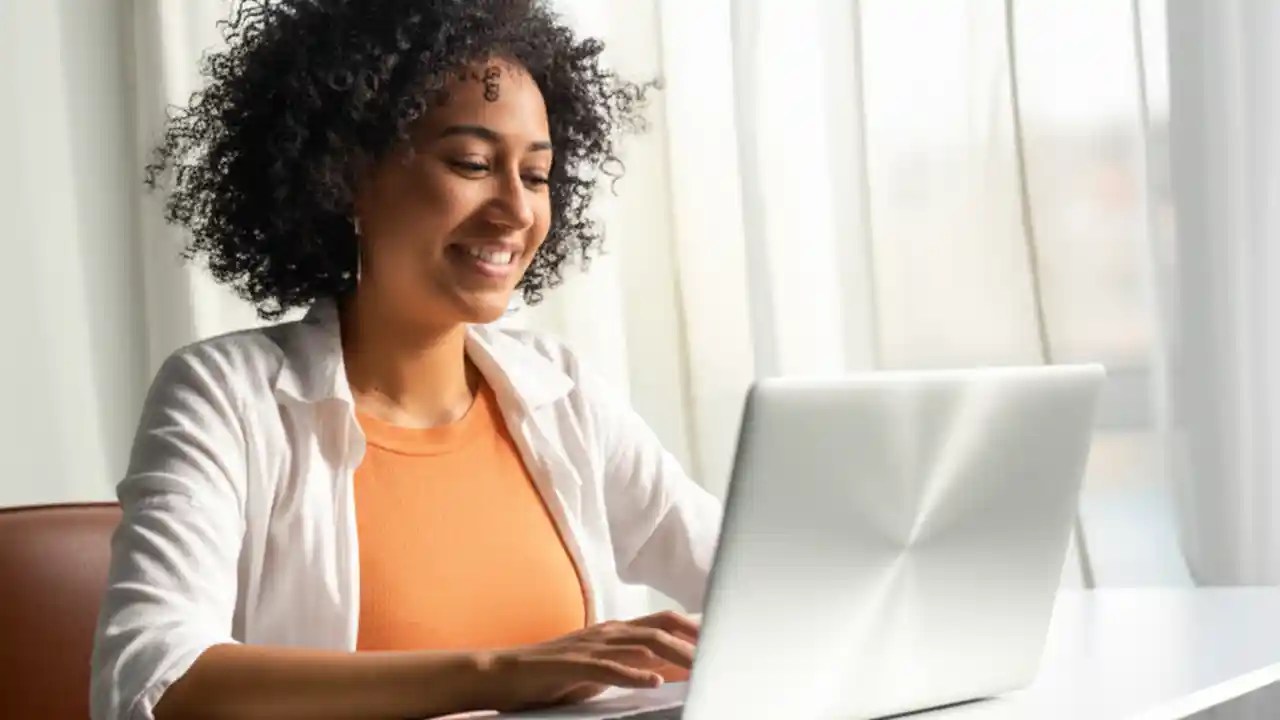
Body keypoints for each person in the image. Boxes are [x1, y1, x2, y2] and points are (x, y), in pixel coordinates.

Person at [89, 2, 721, 718]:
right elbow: (157, 678)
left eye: (538, 175)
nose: (516, 208)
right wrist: (497, 673)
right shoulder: (223, 397)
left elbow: (753, 573)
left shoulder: (561, 390)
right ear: (347, 174)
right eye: (473, 164)